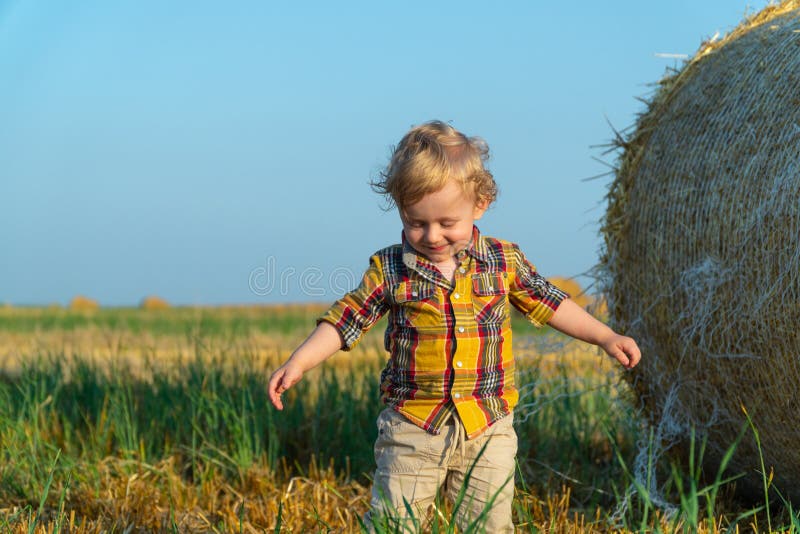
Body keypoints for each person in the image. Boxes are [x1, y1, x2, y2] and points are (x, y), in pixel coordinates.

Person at [268, 120, 641, 531]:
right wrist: (299, 361)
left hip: (488, 427)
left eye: (447, 223)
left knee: (488, 526)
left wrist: (605, 336)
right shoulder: (390, 268)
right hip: (412, 428)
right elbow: (346, 318)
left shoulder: (503, 261)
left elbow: (551, 303)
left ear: (479, 204)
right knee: (395, 524)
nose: (431, 236)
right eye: (416, 222)